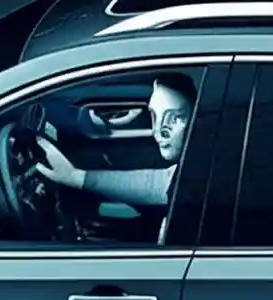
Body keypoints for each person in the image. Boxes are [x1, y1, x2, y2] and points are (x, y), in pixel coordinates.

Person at [34, 73, 198, 243]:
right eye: (154, 116)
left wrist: (75, 177)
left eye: (176, 118)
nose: (159, 131)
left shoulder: (204, 175)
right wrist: (75, 176)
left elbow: (160, 184)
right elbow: (163, 183)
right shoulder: (195, 168)